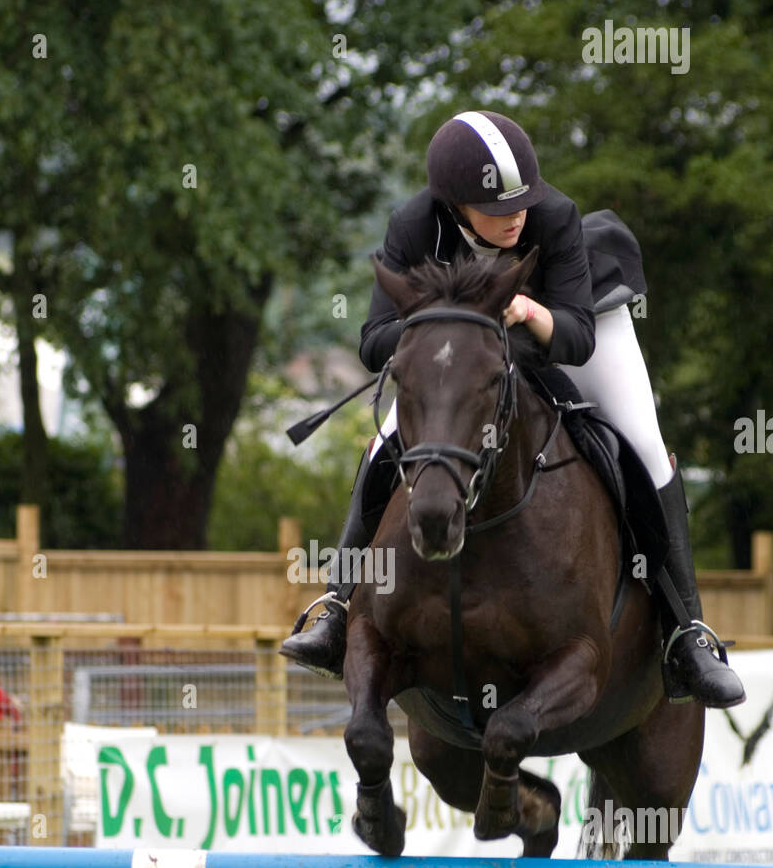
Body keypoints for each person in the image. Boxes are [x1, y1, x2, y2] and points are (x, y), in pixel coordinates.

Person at [280, 110, 744, 709]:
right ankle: (337, 607)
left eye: (522, 202)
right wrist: (440, 325)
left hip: (576, 324)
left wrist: (525, 313)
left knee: (644, 445)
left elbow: (576, 338)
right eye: (498, 210)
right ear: (454, 204)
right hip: (465, 356)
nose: (516, 217)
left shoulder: (554, 217)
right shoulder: (415, 225)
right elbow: (373, 343)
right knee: (385, 442)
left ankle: (688, 636)